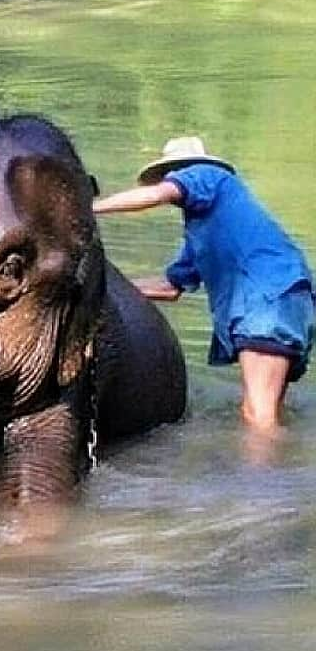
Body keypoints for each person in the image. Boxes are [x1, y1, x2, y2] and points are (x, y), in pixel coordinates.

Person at [93, 136, 315, 434]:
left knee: (257, 416)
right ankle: (277, 468)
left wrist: (89, 208)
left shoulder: (207, 175)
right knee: (271, 411)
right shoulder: (202, 233)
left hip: (266, 301)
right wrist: (106, 284)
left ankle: (259, 479)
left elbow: (159, 195)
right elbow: (169, 287)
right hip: (289, 300)